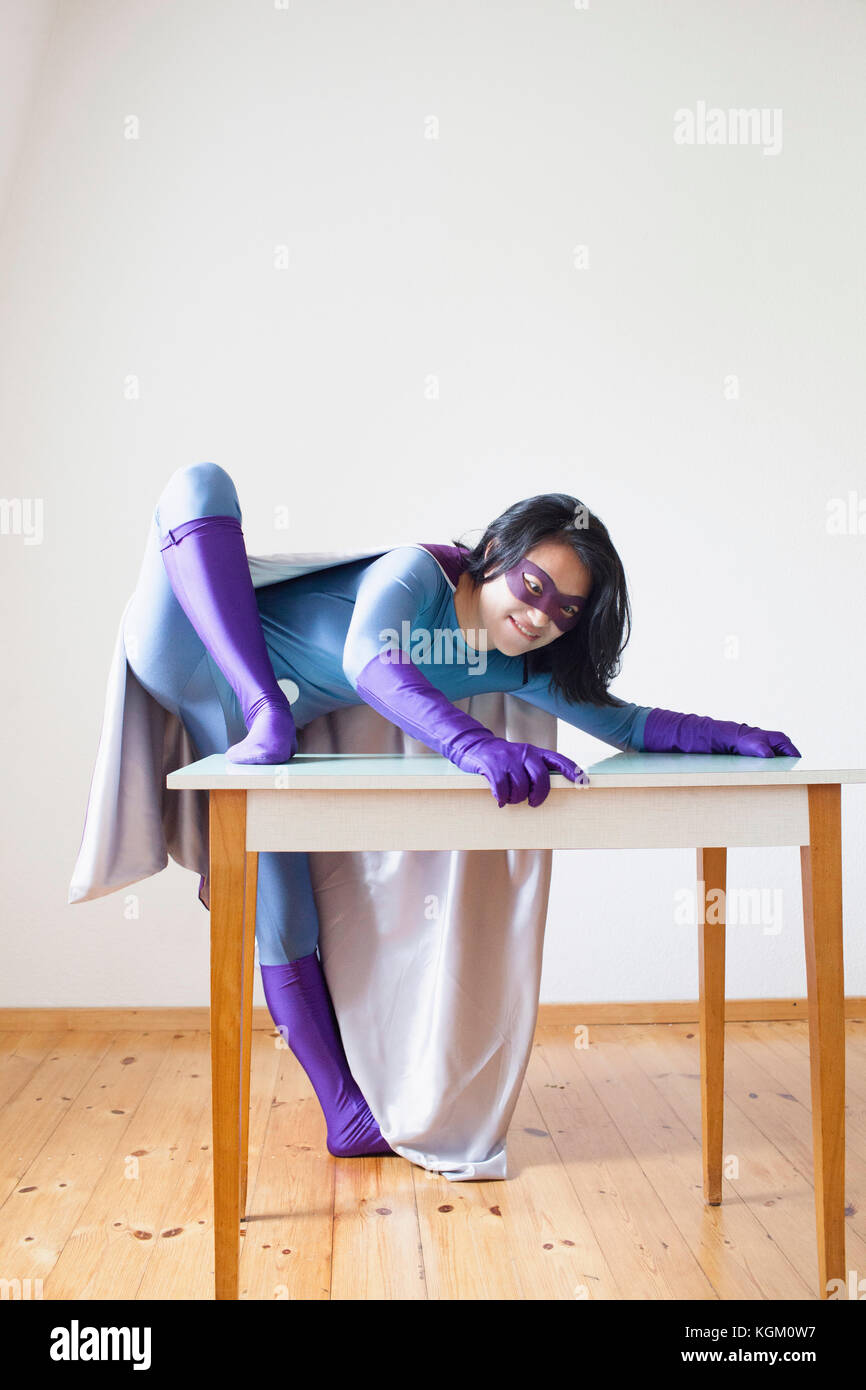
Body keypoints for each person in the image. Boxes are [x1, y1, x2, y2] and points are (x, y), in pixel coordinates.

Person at [118, 461, 801, 1162]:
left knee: (283, 922)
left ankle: (347, 1116)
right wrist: (472, 745)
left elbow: (625, 726)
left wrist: (726, 735)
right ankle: (265, 701)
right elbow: (368, 659)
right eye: (534, 587)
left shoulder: (516, 663)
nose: (539, 618)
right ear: (497, 553)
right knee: (199, 484)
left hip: (226, 740)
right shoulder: (419, 573)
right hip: (189, 648)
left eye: (564, 612)